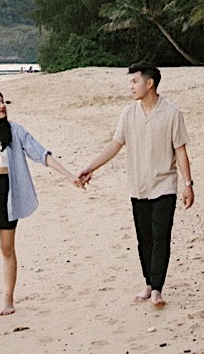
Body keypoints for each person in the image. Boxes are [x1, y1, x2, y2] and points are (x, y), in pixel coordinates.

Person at [0, 88, 80, 321]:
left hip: (7, 194)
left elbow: (42, 154)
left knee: (7, 249)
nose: (2, 106)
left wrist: (69, 175)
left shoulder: (15, 132)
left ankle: (8, 300)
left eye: (3, 102)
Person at [76, 62, 194, 309]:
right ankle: (149, 283)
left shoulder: (172, 113)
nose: (131, 87)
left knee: (161, 237)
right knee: (144, 239)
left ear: (149, 83)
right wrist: (90, 168)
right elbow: (115, 145)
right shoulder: (128, 113)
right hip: (138, 187)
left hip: (165, 186)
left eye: (134, 82)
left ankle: (158, 289)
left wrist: (188, 184)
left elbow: (180, 150)